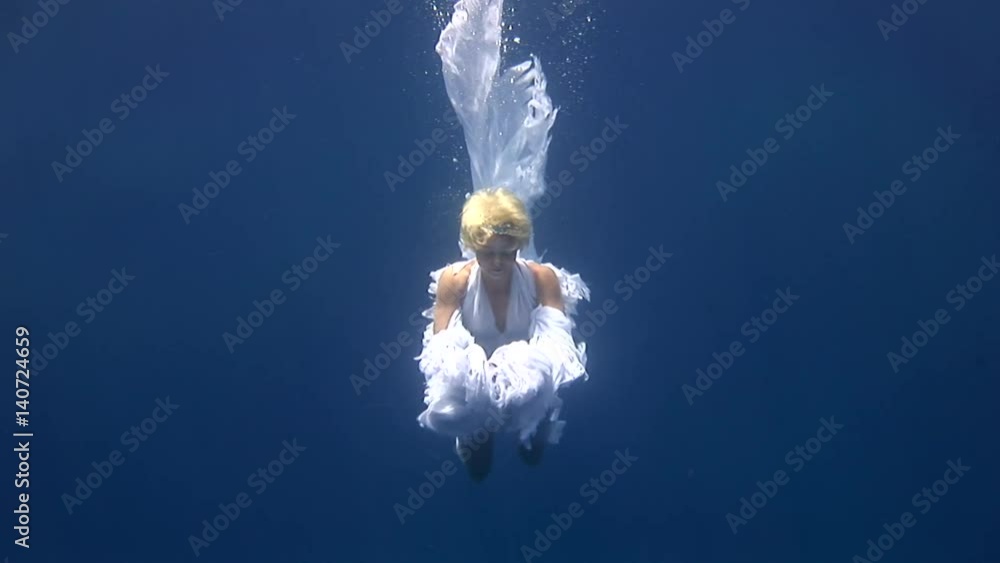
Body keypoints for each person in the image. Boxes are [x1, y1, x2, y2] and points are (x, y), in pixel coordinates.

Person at [414, 0, 590, 481]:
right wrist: (466, 383)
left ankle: (525, 428)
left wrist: (528, 374)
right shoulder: (454, 279)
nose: (495, 261)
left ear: (519, 247)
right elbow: (437, 350)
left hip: (530, 382)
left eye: (505, 252)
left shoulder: (542, 277)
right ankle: (480, 433)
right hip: (471, 388)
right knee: (476, 458)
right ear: (469, 246)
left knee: (532, 441)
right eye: (485, 252)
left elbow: (559, 347)